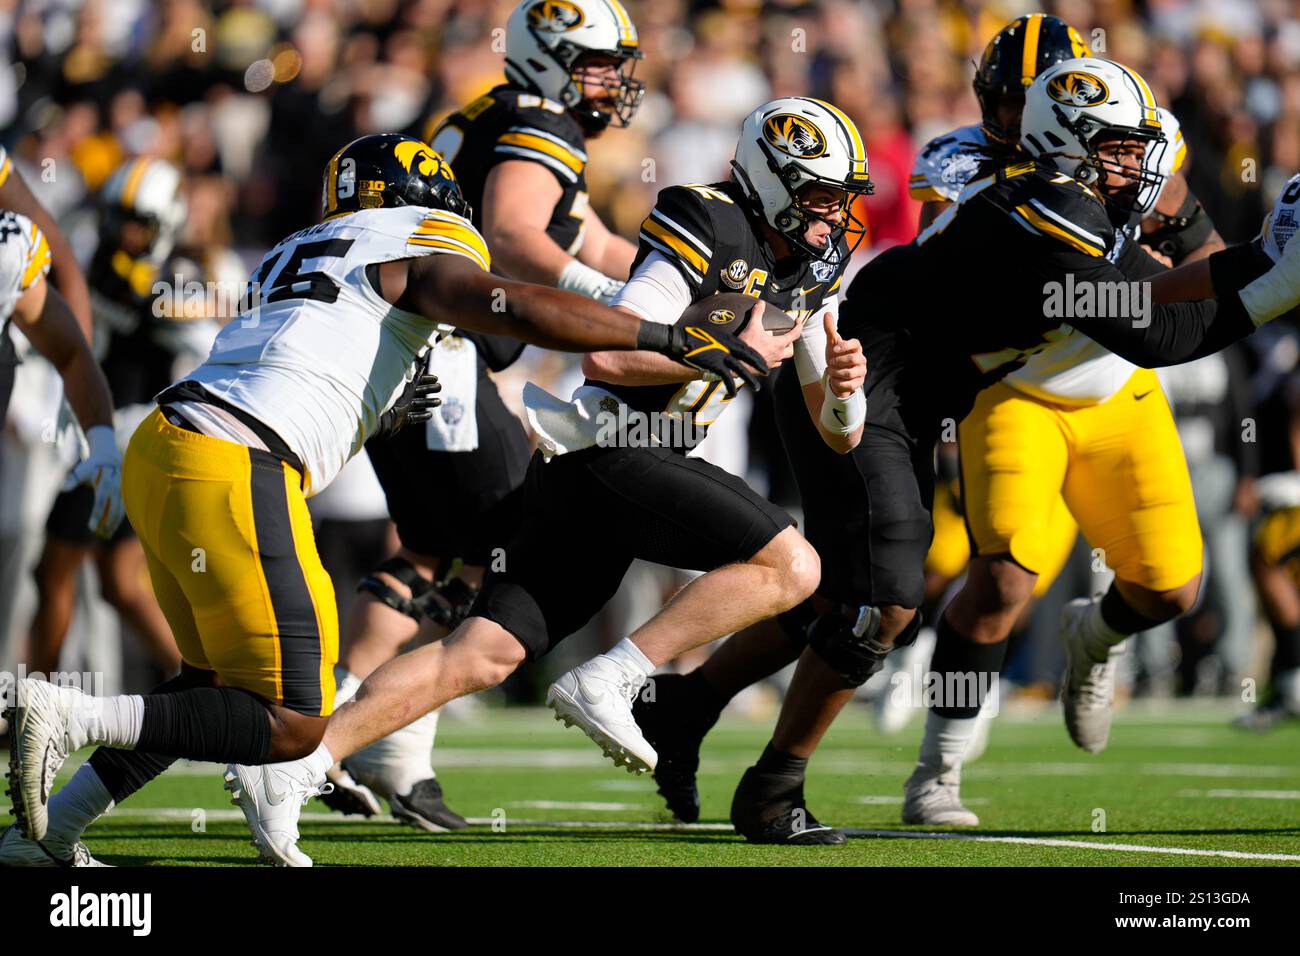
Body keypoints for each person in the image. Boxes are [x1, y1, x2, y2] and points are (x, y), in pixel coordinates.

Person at [4, 132, 766, 867]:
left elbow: (315, 347)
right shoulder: (417, 238)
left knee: (211, 689)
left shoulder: (294, 251)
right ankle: (71, 712)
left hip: (168, 446)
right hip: (236, 459)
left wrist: (384, 402)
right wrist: (663, 334)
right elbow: (508, 309)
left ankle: (44, 833)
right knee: (297, 724)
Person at [648, 57, 1300, 843]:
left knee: (844, 590)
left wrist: (1267, 254)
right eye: (1120, 147)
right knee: (885, 600)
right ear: (1071, 142)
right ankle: (771, 787)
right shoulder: (1045, 205)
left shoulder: (1066, 199)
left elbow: (1158, 290)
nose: (1136, 163)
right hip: (867, 380)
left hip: (914, 393)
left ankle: (682, 708)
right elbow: (1159, 335)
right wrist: (1280, 276)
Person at [216, 95, 872, 864]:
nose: (835, 216)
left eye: (842, 199)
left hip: (614, 463)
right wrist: (725, 349)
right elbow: (613, 356)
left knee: (481, 654)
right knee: (793, 565)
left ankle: (304, 763)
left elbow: (838, 432)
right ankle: (617, 677)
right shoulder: (706, 219)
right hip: (612, 446)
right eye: (823, 195)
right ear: (771, 178)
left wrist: (846, 390)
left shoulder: (813, 264)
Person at [322, 0, 646, 831]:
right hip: (449, 362)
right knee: (508, 551)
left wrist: (680, 274)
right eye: (601, 63)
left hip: (415, 357)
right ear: (551, 59)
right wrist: (616, 309)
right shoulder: (538, 117)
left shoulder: (489, 113)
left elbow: (595, 238)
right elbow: (513, 234)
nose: (613, 81)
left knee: (434, 552)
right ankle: (353, 735)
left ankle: (355, 721)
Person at [28, 158, 193, 681]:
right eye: (118, 218)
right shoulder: (93, 261)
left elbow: (203, 335)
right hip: (108, 441)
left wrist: (158, 302)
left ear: (163, 227)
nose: (123, 233)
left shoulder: (173, 281)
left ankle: (38, 700)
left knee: (54, 568)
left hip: (119, 440)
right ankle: (205, 687)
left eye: (137, 223)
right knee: (120, 583)